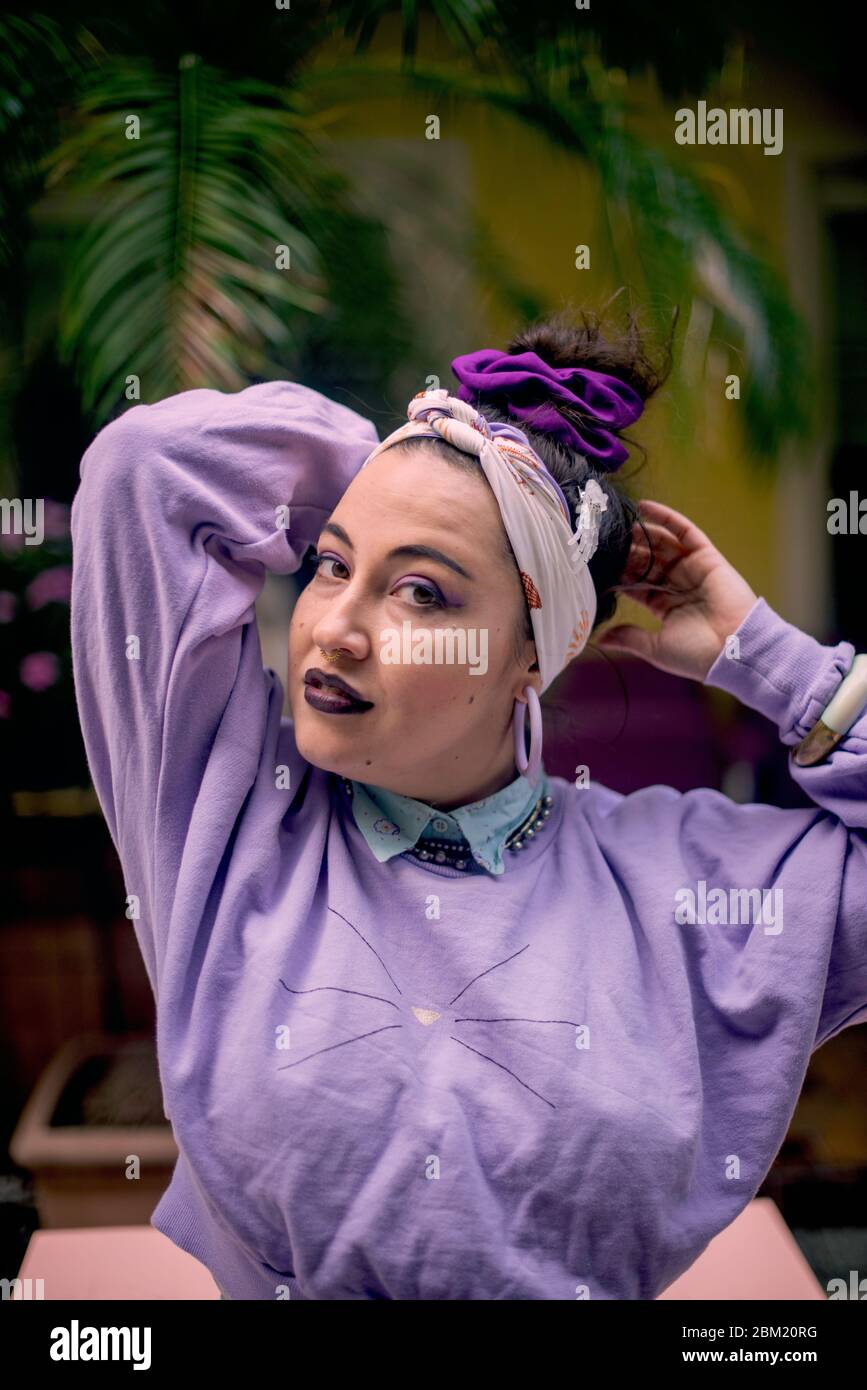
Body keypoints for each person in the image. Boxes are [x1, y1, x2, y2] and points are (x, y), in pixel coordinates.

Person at [70, 310, 867, 1301]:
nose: (337, 630)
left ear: (535, 651)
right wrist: (427, 454)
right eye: (330, 562)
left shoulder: (695, 888)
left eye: (422, 593)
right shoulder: (226, 823)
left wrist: (778, 665)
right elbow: (144, 466)